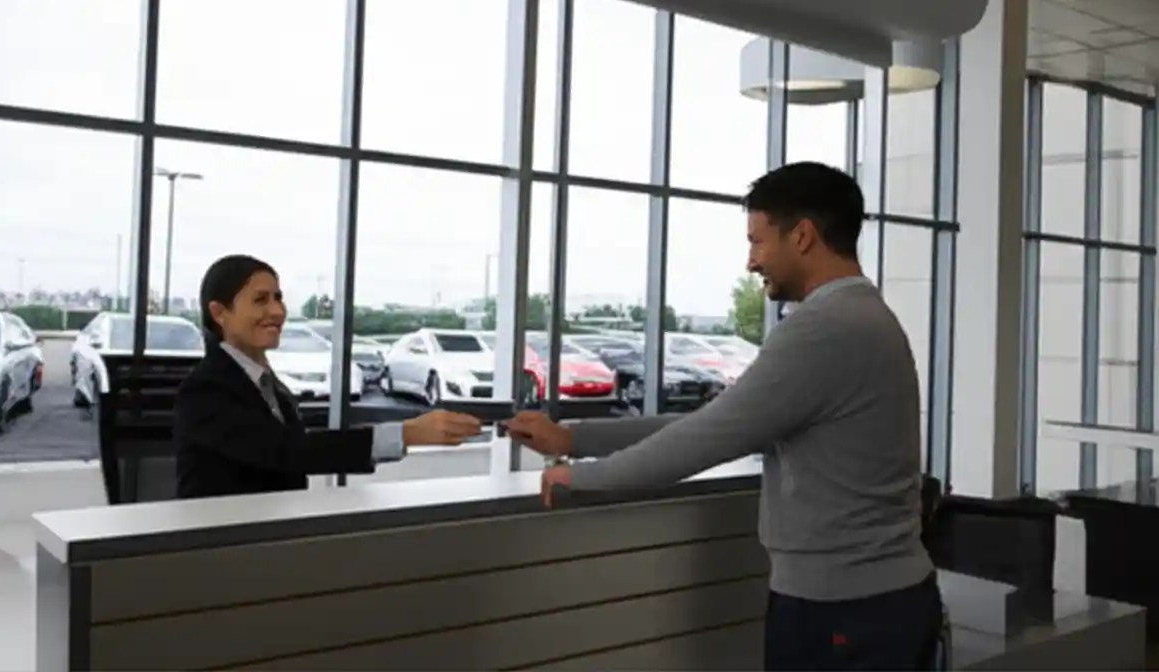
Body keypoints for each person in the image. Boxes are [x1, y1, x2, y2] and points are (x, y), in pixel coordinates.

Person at [505, 162, 941, 670]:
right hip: (873, 601)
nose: (751, 261)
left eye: (757, 241)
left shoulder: (826, 328)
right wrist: (572, 439)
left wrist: (581, 477)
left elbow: (703, 440)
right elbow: (721, 421)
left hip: (847, 611)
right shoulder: (862, 316)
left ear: (802, 236)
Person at [174, 254, 481, 499]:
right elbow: (288, 452)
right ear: (219, 313)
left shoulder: (266, 384)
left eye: (278, 298)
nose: (277, 311)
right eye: (260, 300)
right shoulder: (205, 389)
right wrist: (405, 434)